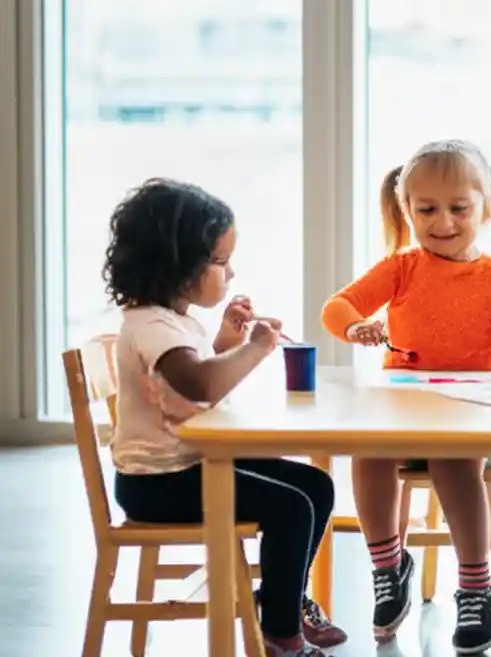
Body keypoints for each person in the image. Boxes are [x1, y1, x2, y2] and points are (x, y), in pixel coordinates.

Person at [320, 140, 491, 652]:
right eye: (426, 210)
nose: (442, 221)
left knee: (453, 457)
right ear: (408, 210)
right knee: (369, 450)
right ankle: (388, 566)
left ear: (486, 208)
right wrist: (356, 328)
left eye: (458, 208)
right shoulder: (402, 268)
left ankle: (474, 585)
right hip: (404, 416)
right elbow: (338, 307)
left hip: (471, 423)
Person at [106, 178, 345, 657]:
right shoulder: (151, 324)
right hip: (160, 481)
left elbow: (182, 383)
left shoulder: (171, 321)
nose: (231, 273)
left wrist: (225, 344)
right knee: (292, 507)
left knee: (315, 486)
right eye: (220, 262)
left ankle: (283, 600)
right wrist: (256, 349)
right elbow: (199, 384)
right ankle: (279, 636)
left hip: (187, 465)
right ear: (176, 265)